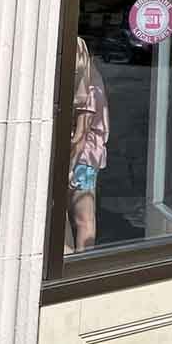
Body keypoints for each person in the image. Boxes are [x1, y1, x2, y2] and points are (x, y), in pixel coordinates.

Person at [67, 36, 110, 252]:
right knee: (81, 218)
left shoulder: (89, 88)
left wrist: (68, 167)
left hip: (82, 159)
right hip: (85, 156)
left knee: (83, 218)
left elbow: (80, 136)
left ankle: (80, 265)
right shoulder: (93, 79)